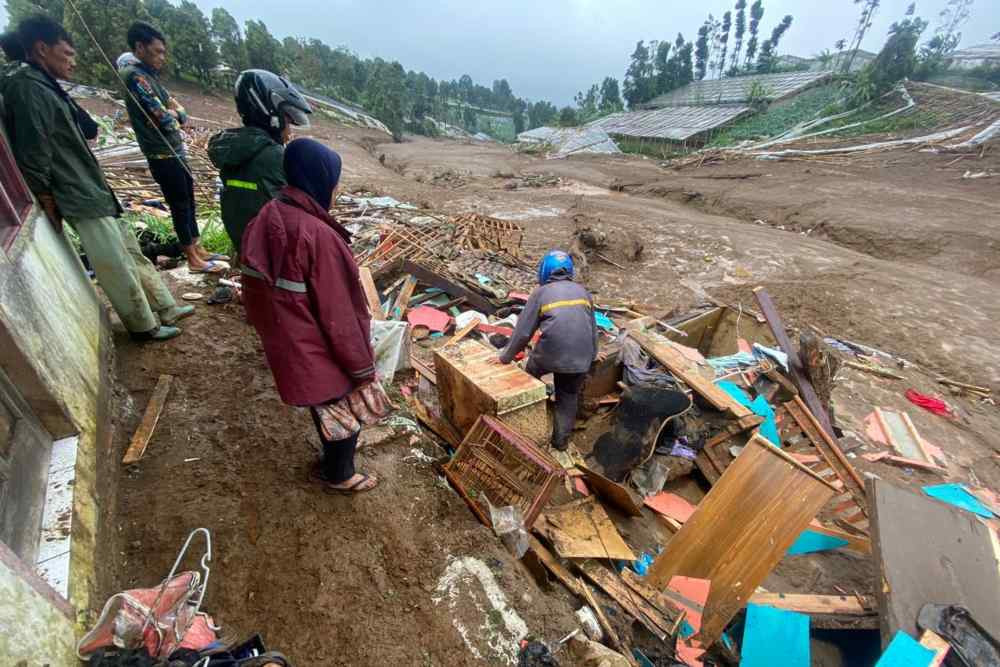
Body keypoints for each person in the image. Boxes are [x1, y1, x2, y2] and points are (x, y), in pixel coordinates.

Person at [0, 16, 190, 341]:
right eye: (67, 54)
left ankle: (165, 306)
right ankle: (143, 326)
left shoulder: (44, 83)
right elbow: (34, 150)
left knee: (130, 251)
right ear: (42, 49)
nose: (73, 62)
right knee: (114, 262)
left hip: (93, 187)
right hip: (78, 192)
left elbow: (84, 130)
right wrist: (45, 195)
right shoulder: (27, 87)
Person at [241, 138, 392, 495]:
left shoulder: (268, 215)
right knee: (343, 408)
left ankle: (333, 465)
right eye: (335, 182)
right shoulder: (318, 235)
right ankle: (340, 475)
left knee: (322, 402)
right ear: (320, 180)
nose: (337, 190)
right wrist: (362, 369)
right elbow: (342, 315)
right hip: (315, 341)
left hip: (285, 334)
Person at [120, 21, 224, 273]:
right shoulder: (135, 77)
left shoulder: (149, 76)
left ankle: (198, 248)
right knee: (179, 205)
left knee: (188, 200)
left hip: (174, 149)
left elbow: (178, 112)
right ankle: (193, 259)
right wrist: (175, 114)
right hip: (162, 153)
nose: (162, 58)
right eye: (157, 52)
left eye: (163, 52)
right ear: (140, 47)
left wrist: (175, 113)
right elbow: (166, 118)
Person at [497, 250, 598, 451]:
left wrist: (505, 357)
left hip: (550, 354)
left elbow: (523, 332)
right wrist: (592, 357)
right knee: (568, 396)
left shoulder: (540, 293)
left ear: (544, 271)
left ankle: (528, 420)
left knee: (529, 375)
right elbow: (592, 330)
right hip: (582, 357)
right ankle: (560, 443)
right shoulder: (583, 292)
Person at [208, 69, 312, 256]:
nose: (289, 131)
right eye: (288, 121)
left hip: (245, 248)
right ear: (271, 116)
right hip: (272, 255)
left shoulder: (232, 148)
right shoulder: (274, 156)